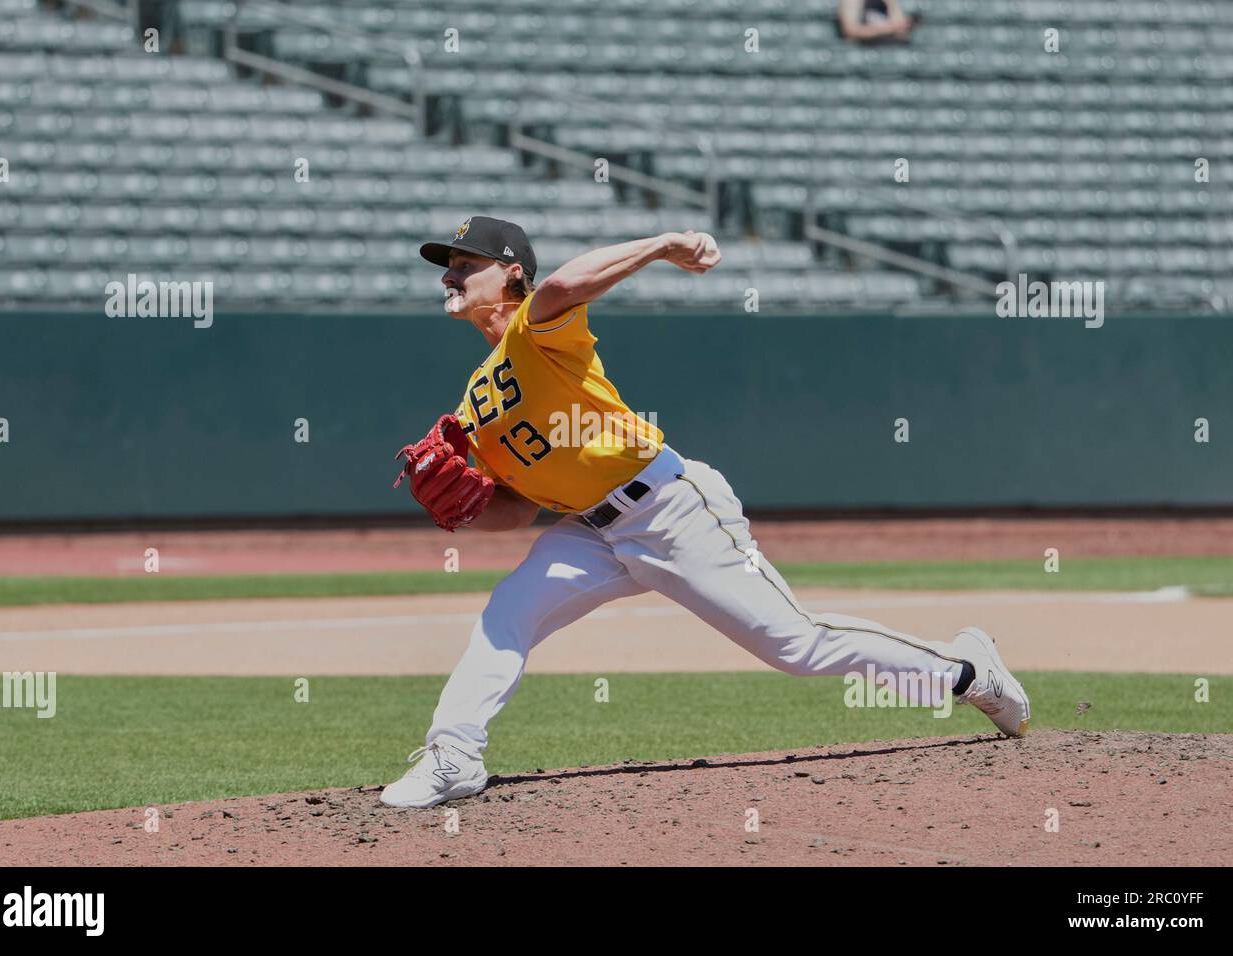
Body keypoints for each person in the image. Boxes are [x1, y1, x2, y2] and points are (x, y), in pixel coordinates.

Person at [379, 215, 1029, 808]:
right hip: (587, 533)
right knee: (507, 614)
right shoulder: (471, 403)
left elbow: (569, 282)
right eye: (449, 264)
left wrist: (664, 244)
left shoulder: (536, 328)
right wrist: (463, 510)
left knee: (796, 645)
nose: (449, 274)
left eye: (466, 263)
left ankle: (967, 671)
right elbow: (516, 512)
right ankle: (454, 757)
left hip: (668, 508)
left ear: (513, 273)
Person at [837, 0, 918, 43]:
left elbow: (901, 31)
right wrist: (887, 28)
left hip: (889, 47)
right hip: (862, 48)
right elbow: (850, 30)